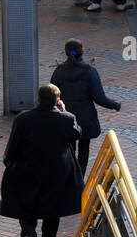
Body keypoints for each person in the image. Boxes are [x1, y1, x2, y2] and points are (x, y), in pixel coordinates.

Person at [0, 83, 83, 237]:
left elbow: (12, 149)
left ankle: (28, 233)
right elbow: (77, 134)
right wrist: (64, 111)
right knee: (53, 214)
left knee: (26, 207)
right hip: (56, 175)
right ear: (57, 101)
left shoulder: (23, 119)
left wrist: (9, 162)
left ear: (38, 99)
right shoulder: (66, 119)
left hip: (27, 172)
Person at [50, 39, 121, 175]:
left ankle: (69, 176)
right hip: (85, 117)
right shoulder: (90, 72)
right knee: (84, 146)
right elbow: (99, 98)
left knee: (69, 147)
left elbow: (52, 94)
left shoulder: (59, 72)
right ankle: (80, 176)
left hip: (65, 117)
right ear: (81, 51)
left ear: (66, 52)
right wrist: (115, 105)